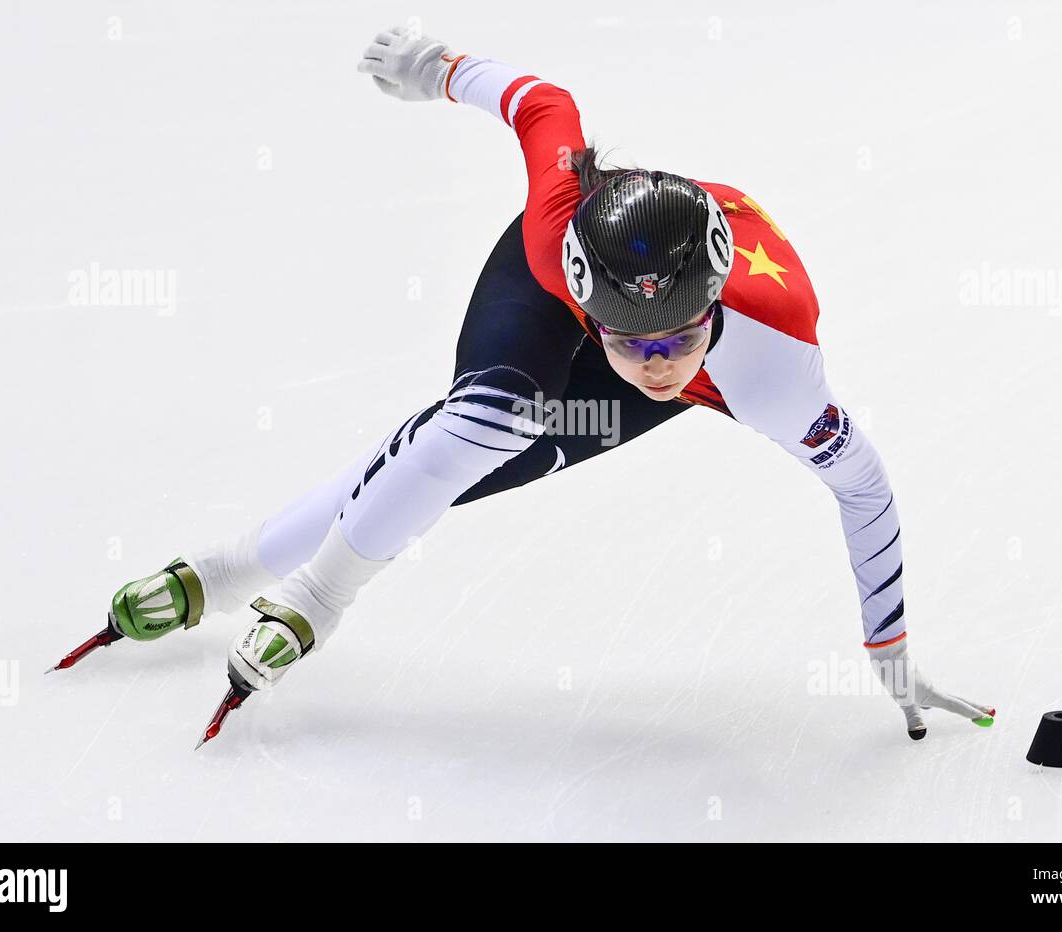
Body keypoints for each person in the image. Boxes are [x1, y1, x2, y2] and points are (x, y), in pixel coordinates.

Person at [52, 25, 994, 745]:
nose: (659, 363)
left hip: (669, 306)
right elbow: (544, 104)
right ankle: (306, 603)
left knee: (454, 465)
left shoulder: (773, 362)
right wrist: (437, 67)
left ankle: (224, 574)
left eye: (680, 338)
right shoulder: (558, 236)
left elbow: (863, 487)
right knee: (482, 426)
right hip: (547, 293)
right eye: (634, 342)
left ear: (715, 313)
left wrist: (891, 653)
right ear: (595, 305)